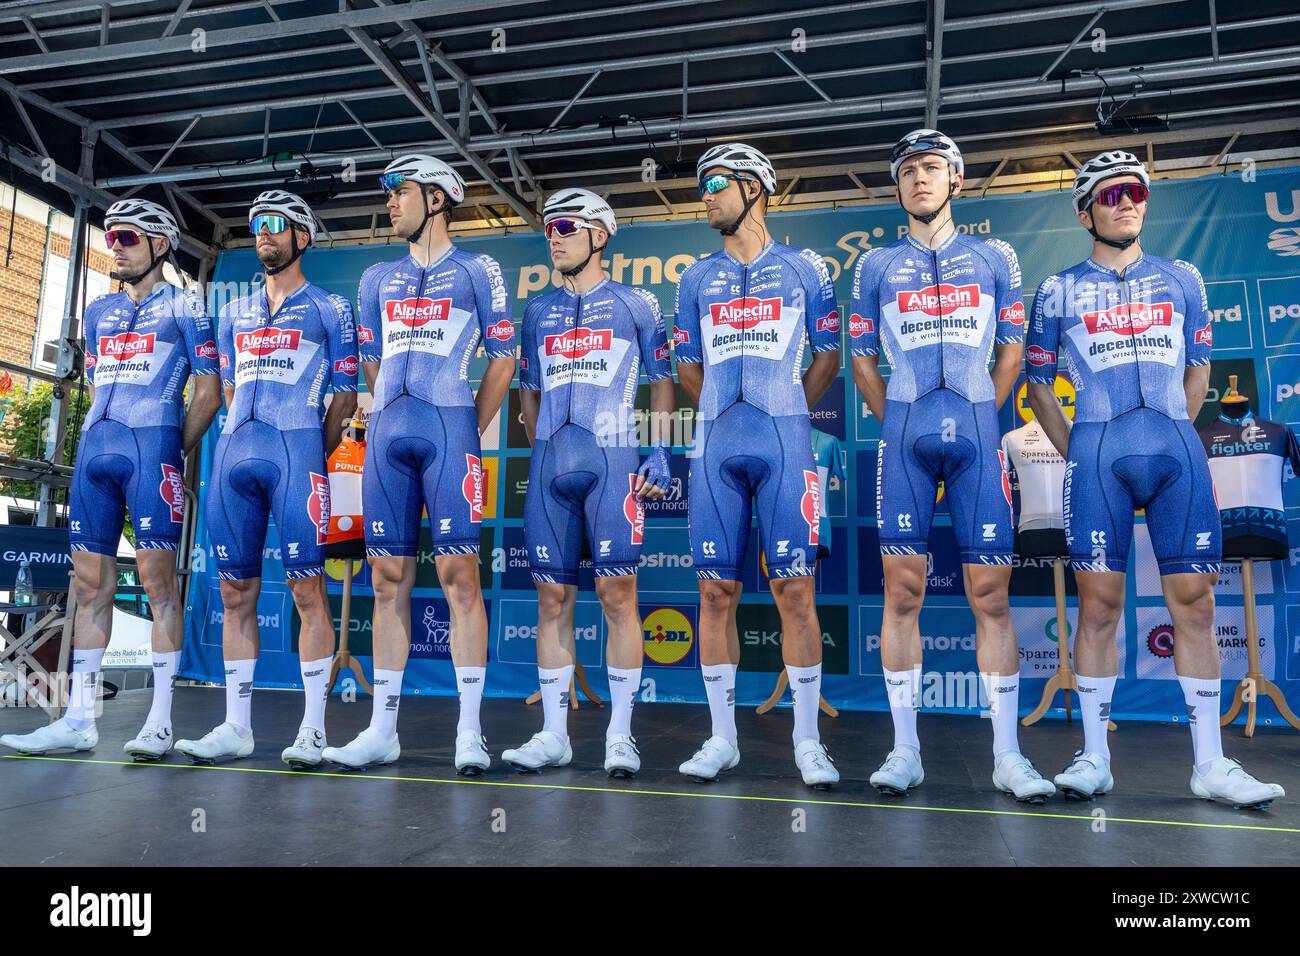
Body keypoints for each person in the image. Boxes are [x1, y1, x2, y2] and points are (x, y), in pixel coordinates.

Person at [1026, 150, 1285, 809]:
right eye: (1110, 195)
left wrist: (1176, 429)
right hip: (1098, 456)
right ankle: (1094, 756)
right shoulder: (1057, 289)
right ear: (1085, 211)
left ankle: (1211, 764)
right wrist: (1081, 452)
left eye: (1135, 192)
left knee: (1195, 603)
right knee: (1098, 605)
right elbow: (1038, 383)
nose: (1126, 203)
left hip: (1176, 452)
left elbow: (1199, 365)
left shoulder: (1182, 277)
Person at [850, 129, 1054, 802]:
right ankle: (905, 750)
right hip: (905, 435)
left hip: (975, 433)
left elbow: (1013, 350)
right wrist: (898, 421)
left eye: (932, 167)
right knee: (901, 594)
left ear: (956, 180)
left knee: (990, 597)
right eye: (907, 169)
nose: (919, 178)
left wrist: (978, 415)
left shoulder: (995, 257)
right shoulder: (876, 266)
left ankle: (1007, 755)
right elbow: (860, 360)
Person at [0, 200, 222, 759]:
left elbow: (209, 392)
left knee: (158, 585)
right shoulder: (99, 310)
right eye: (110, 237)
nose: (115, 246)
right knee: (88, 588)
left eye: (127, 237)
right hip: (95, 454)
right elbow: (100, 386)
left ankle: (161, 721)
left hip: (153, 451)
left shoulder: (188, 306)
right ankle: (78, 720)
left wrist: (171, 450)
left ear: (161, 244)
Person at [322, 155, 515, 773]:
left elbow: (504, 358)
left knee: (460, 577)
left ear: (436, 199)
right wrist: (387, 408)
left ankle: (469, 730)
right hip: (386, 435)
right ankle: (382, 730)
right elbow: (370, 359)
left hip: (450, 430)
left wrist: (467, 428)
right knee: (385, 581)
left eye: (399, 191)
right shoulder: (376, 277)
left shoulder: (478, 269)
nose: (389, 202)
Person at [673, 143, 842, 790]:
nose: (705, 196)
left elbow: (827, 356)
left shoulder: (804, 268)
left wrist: (784, 411)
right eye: (701, 185)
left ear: (755, 188)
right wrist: (723, 412)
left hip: (786, 443)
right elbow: (688, 366)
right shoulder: (695, 278)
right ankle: (722, 738)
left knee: (794, 592)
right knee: (714, 593)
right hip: (716, 446)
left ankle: (808, 741)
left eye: (715, 183)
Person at [176, 191, 358, 768]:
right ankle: (236, 726)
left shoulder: (331, 308)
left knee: (307, 592)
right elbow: (228, 389)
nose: (263, 232)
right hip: (234, 456)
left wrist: (310, 452)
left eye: (275, 224)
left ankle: (312, 730)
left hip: (297, 455)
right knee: (234, 593)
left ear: (302, 237)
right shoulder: (234, 312)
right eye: (256, 223)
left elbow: (345, 398)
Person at [503, 188, 675, 777]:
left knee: (617, 595)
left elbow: (662, 380)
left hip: (614, 463)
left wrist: (659, 449)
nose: (553, 237)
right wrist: (541, 448)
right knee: (551, 599)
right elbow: (528, 389)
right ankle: (554, 735)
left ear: (599, 235)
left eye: (566, 227)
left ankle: (620, 735)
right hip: (551, 465)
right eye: (548, 228)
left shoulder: (636, 303)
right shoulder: (537, 311)